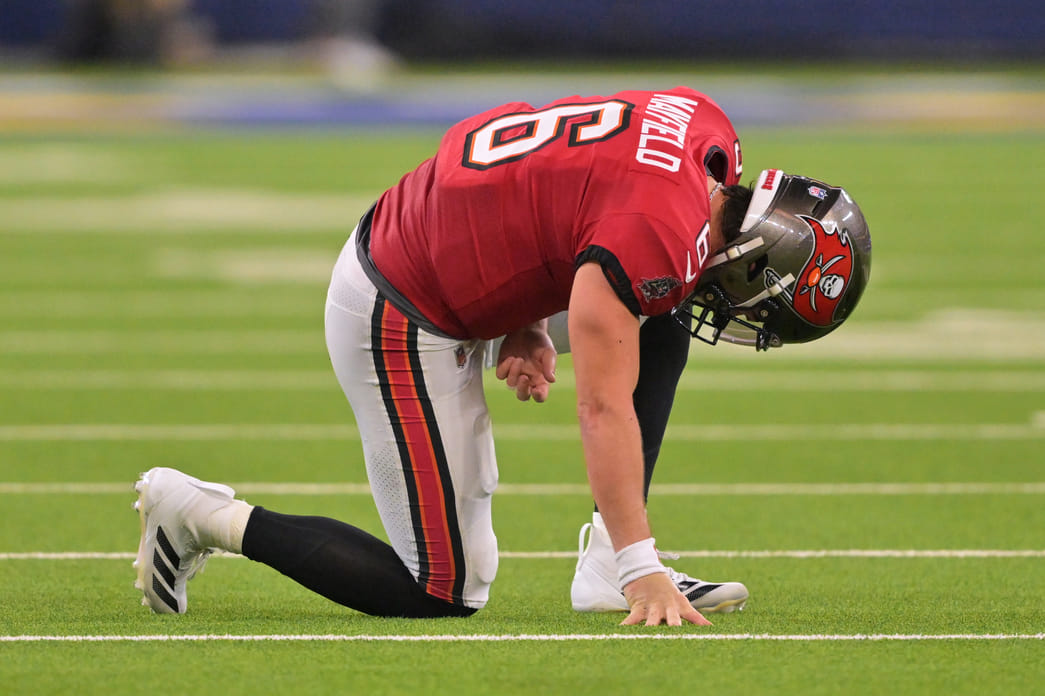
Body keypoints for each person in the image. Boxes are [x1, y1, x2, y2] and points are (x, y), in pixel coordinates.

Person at [132, 87, 872, 626]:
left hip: (440, 233)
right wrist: (647, 571)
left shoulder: (704, 131)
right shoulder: (654, 236)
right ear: (755, 262)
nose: (742, 318)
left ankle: (603, 567)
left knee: (662, 306)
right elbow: (601, 405)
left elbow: (550, 174)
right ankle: (199, 514)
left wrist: (519, 311)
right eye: (761, 308)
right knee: (442, 587)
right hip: (399, 302)